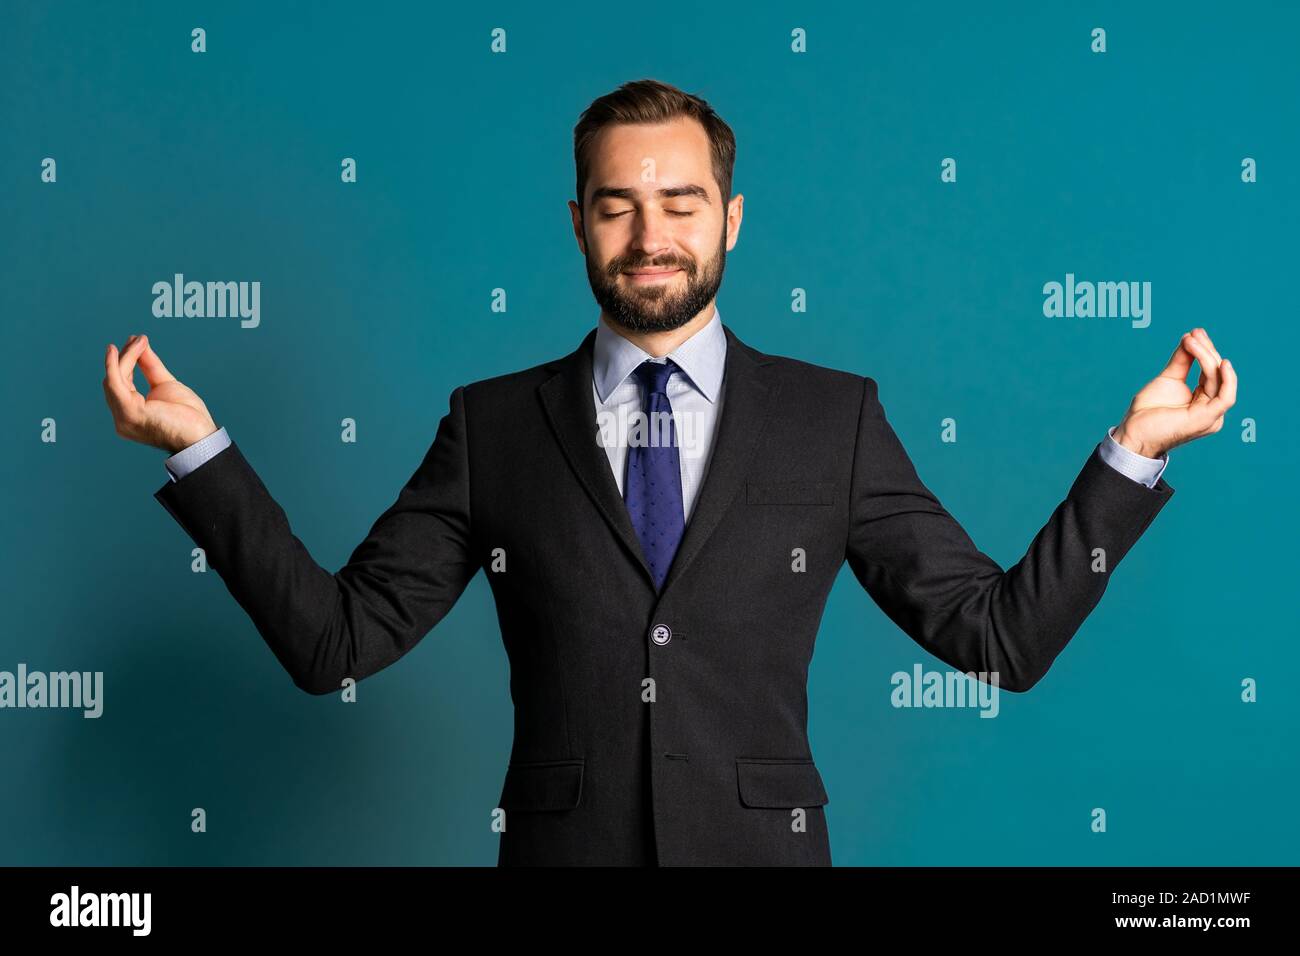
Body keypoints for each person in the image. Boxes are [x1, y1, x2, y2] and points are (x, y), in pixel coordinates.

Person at [102, 79, 1237, 866]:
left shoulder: (830, 418)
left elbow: (997, 639)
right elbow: (333, 644)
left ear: (730, 219)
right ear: (579, 224)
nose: (651, 233)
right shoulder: (490, 427)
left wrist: (1131, 452)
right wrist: (199, 452)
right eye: (618, 203)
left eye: (681, 202)